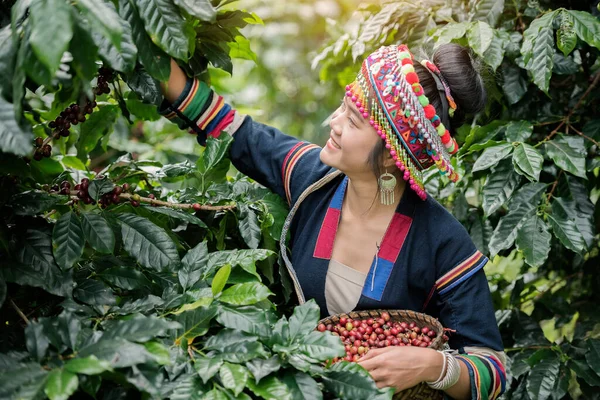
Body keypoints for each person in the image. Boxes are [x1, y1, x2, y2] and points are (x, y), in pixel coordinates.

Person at [158, 43, 506, 399]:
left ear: (390, 155)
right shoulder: (313, 181)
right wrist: (145, 51)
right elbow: (233, 129)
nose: (334, 122)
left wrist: (433, 366)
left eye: (353, 120)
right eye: (344, 106)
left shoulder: (442, 241)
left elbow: (492, 370)